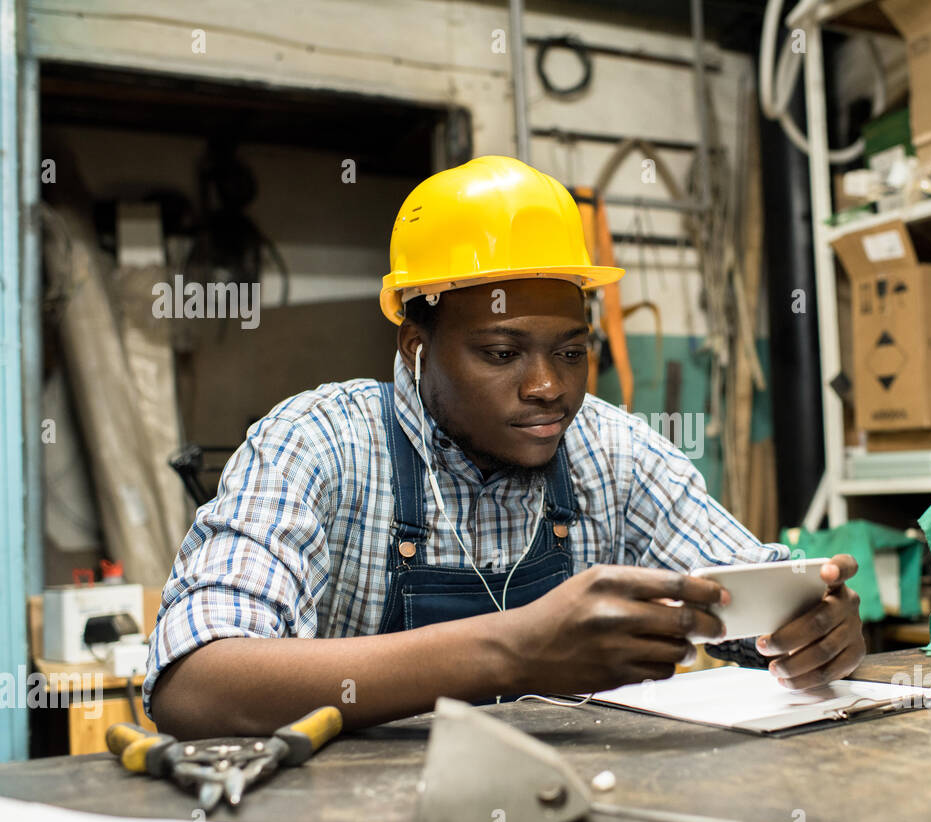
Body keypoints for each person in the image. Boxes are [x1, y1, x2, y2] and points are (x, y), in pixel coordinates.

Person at [146, 156, 864, 737]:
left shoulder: (609, 451)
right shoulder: (320, 445)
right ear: (416, 345)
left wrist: (815, 628)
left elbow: (751, 594)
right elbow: (195, 683)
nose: (549, 386)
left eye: (573, 351)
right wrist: (515, 648)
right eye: (500, 353)